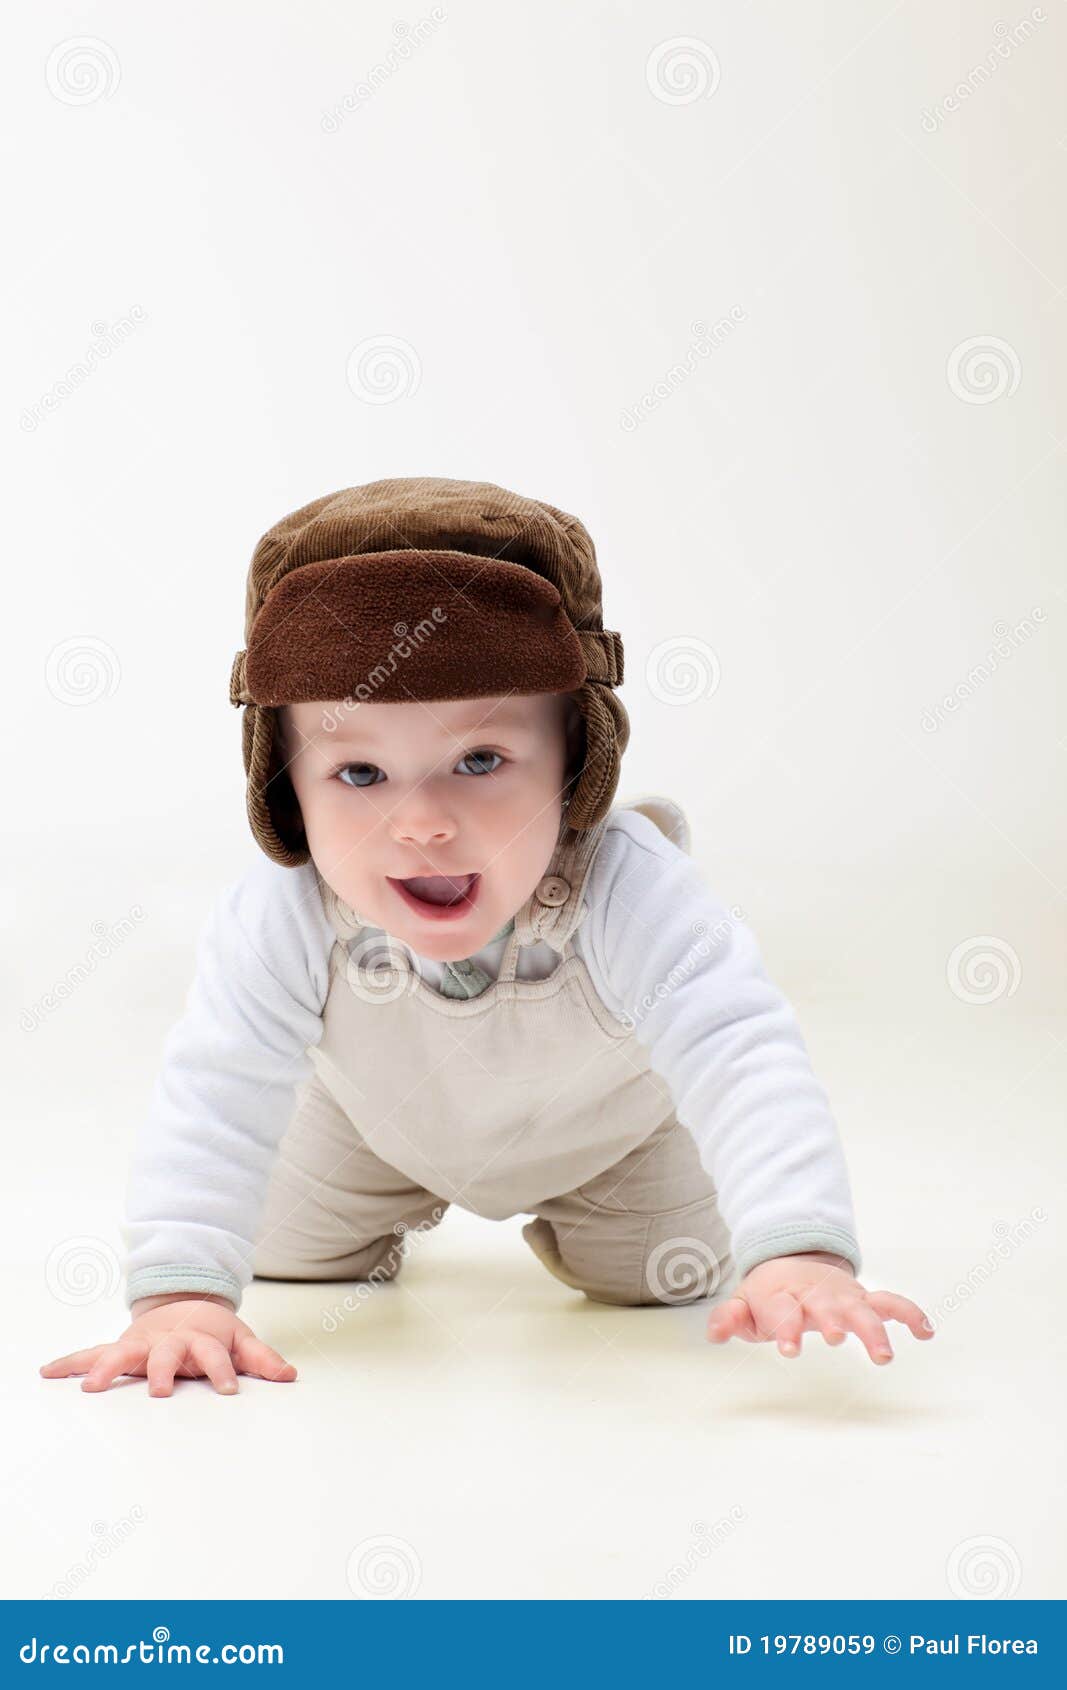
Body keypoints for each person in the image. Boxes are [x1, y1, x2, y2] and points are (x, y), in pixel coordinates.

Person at [40, 476, 932, 1397]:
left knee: (659, 1281)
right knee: (284, 1256)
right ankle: (362, 1230)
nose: (422, 821)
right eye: (358, 772)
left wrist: (801, 1250)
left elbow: (738, 1050)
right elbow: (218, 1087)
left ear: (576, 764)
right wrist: (181, 1296)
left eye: (479, 760)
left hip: (611, 1141)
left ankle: (627, 1229)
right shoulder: (284, 907)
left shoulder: (630, 887)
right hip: (365, 1132)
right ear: (286, 790)